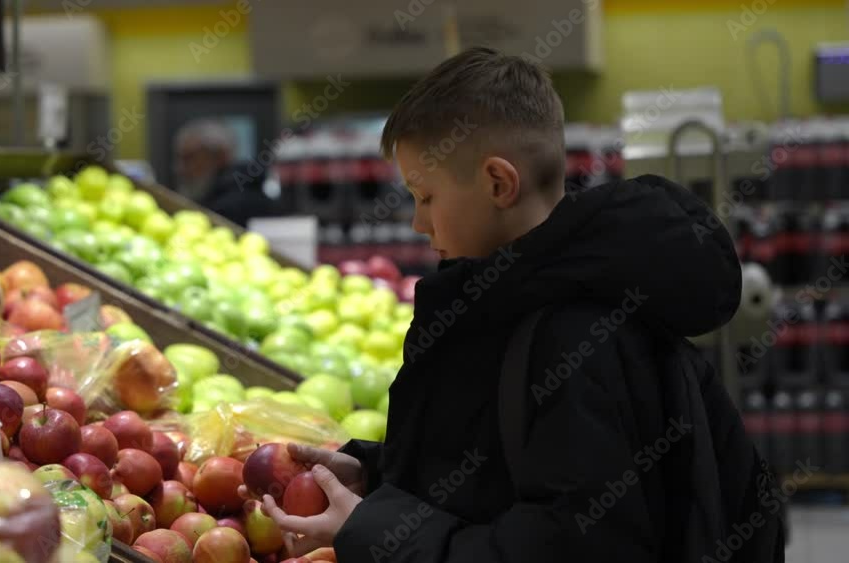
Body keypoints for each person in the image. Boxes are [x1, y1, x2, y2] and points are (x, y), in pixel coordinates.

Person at [253, 48, 787, 562]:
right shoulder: (511, 299)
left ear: (497, 182)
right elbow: (496, 475)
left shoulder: (575, 338)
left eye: (426, 196)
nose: (418, 222)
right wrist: (377, 475)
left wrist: (378, 531)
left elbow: (573, 548)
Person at [172, 118, 283, 226]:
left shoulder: (229, 207)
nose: (180, 168)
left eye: (190, 158)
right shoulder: (215, 196)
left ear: (220, 156)